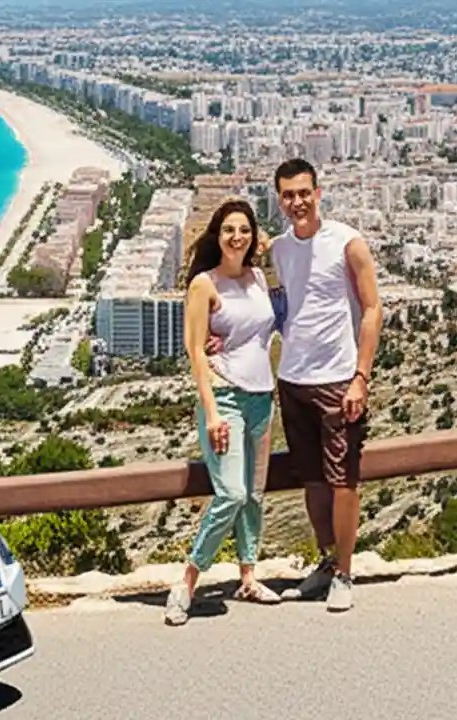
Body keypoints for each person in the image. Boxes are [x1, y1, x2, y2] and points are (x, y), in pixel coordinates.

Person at [261, 157, 382, 612]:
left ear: (318, 192)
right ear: (280, 199)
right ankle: (327, 563)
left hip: (338, 381)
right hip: (292, 380)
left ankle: (346, 574)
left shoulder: (348, 242)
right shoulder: (280, 248)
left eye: (303, 193)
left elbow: (373, 309)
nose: (297, 202)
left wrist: (361, 377)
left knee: (343, 482)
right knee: (312, 483)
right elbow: (279, 305)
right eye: (288, 195)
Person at [165, 199, 282, 627]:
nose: (238, 237)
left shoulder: (256, 277)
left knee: (253, 494)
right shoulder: (204, 284)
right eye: (229, 230)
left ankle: (248, 576)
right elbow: (194, 350)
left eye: (245, 230)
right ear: (217, 235)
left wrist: (261, 241)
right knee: (230, 493)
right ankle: (189, 582)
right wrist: (212, 412)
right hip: (226, 398)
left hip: (261, 398)